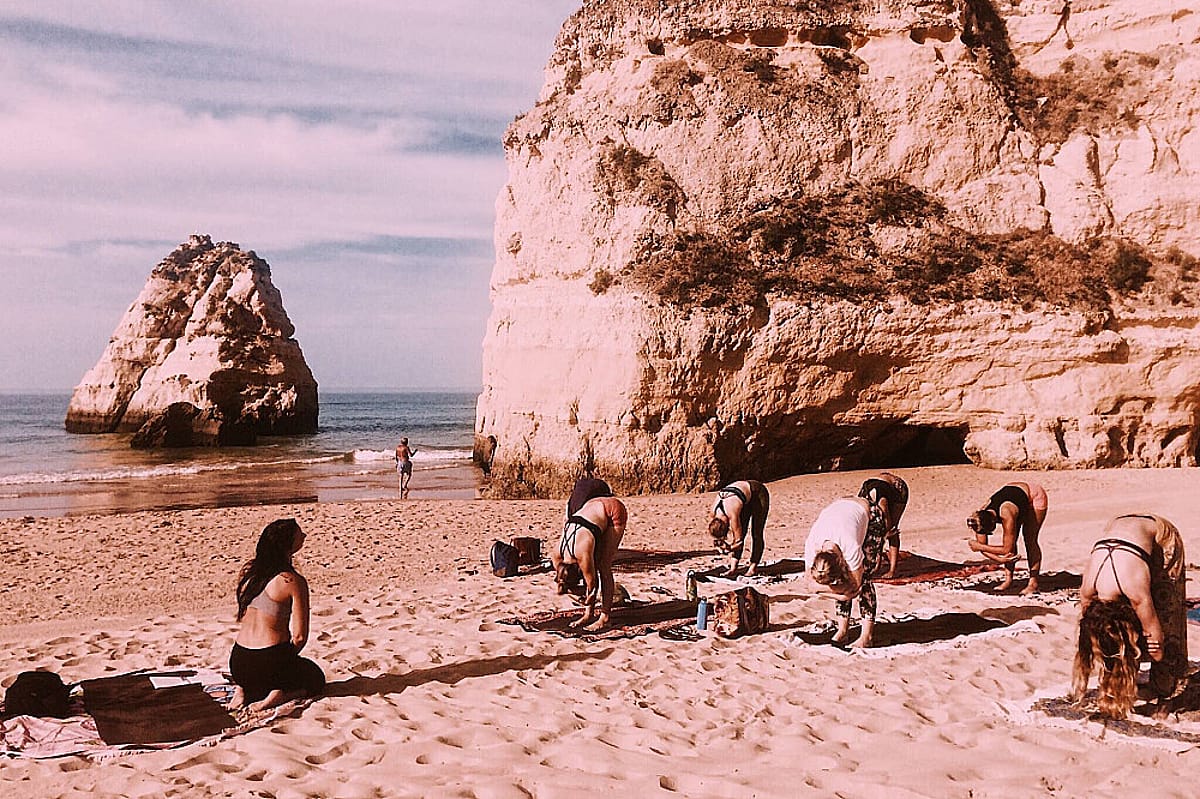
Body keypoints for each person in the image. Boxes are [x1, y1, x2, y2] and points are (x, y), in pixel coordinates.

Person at [1073, 514, 1188, 718]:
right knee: (1113, 641)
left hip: (1160, 533)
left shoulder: (1135, 593)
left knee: (1167, 613)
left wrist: (1151, 644)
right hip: (1119, 527)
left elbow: (1158, 646)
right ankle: (1125, 680)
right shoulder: (1089, 591)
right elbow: (1088, 623)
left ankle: (1165, 689)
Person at [229, 518, 325, 712]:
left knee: (259, 673)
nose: (305, 536)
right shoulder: (292, 581)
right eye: (300, 534)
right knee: (315, 677)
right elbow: (299, 637)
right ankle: (280, 694)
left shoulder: (250, 573)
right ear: (287, 544)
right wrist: (284, 663)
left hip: (238, 662)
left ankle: (243, 689)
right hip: (269, 660)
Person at [803, 494, 890, 648]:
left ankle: (866, 637)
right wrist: (841, 595)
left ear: (841, 561)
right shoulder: (812, 545)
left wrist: (830, 591)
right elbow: (809, 584)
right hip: (843, 507)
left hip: (871, 514)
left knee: (866, 578)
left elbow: (855, 586)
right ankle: (843, 630)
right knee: (841, 584)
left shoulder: (850, 546)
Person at [551, 495, 628, 631]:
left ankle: (605, 618)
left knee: (603, 566)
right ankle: (588, 614)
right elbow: (560, 585)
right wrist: (576, 593)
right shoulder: (556, 556)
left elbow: (592, 584)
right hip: (592, 505)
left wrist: (588, 597)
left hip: (612, 510)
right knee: (597, 563)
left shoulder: (582, 554)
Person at [966, 481, 1048, 593]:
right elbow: (982, 545)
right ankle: (1008, 580)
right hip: (1014, 496)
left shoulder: (1006, 514)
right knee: (1012, 540)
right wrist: (999, 559)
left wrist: (978, 546)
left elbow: (1006, 549)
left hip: (1033, 495)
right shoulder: (979, 517)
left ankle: (1033, 583)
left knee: (1029, 539)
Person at [707, 480, 770, 576]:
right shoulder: (713, 513)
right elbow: (717, 537)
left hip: (758, 492)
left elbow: (739, 542)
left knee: (756, 533)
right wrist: (719, 544)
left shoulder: (732, 513)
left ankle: (753, 567)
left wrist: (728, 548)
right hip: (742, 498)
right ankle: (733, 568)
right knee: (743, 529)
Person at [858, 472, 909, 578]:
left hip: (897, 488)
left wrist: (886, 533)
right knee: (875, 531)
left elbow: (888, 526)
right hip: (879, 483)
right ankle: (877, 564)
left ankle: (892, 570)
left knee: (892, 530)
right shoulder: (860, 504)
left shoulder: (881, 503)